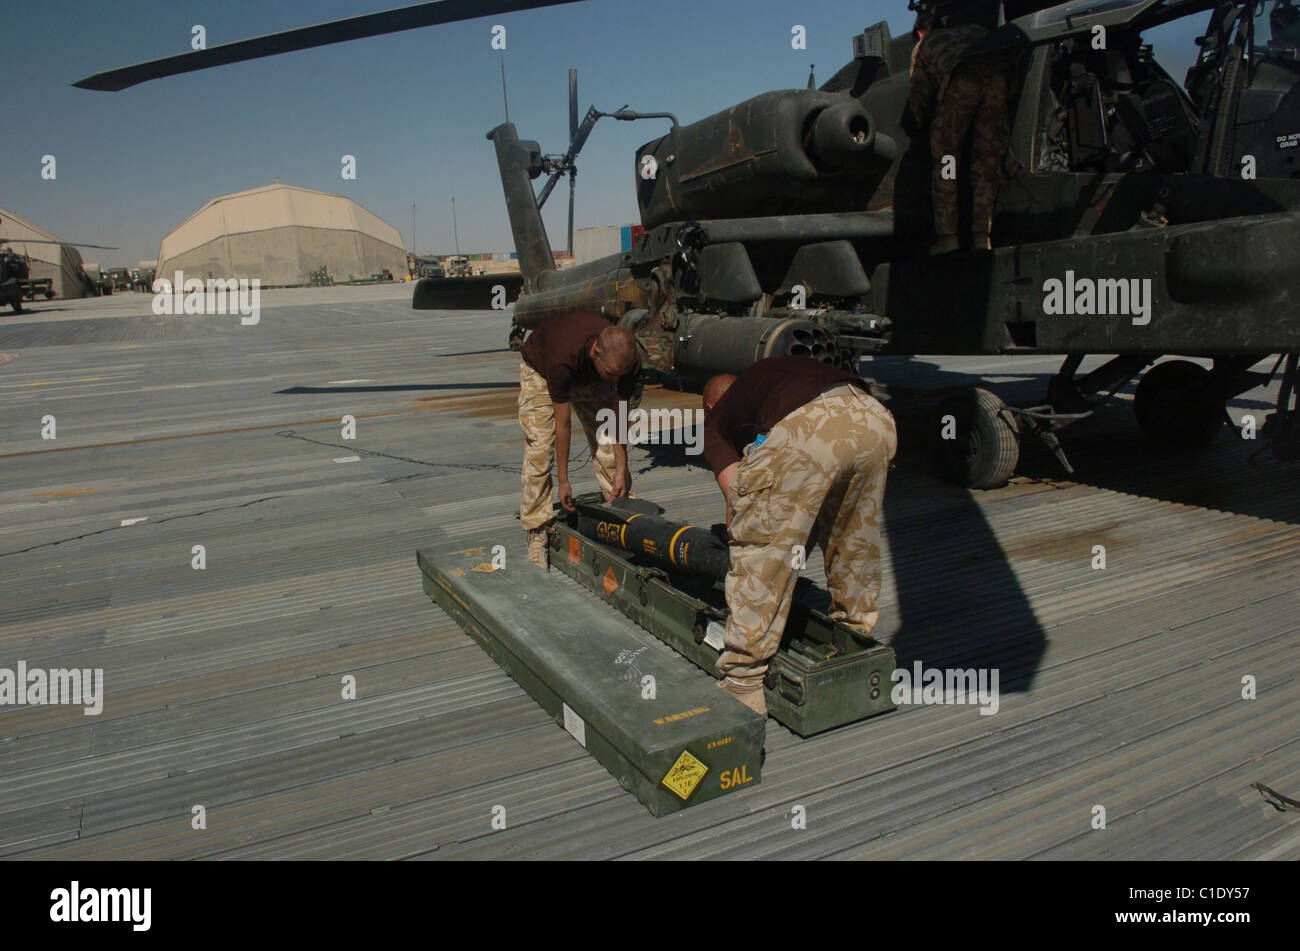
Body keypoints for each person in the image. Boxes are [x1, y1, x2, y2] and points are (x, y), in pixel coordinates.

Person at [701, 355, 897, 716]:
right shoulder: (770, 381)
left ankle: (743, 683)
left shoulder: (716, 421)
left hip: (812, 427)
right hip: (874, 419)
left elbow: (741, 498)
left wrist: (757, 539)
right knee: (853, 538)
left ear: (711, 405)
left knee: (762, 551)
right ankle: (854, 636)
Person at [519, 312, 640, 569]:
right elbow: (563, 425)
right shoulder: (563, 358)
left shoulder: (624, 363)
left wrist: (621, 468)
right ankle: (537, 529)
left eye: (621, 375)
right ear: (596, 351)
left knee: (607, 442)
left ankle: (622, 510)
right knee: (540, 448)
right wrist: (563, 481)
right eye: (613, 374)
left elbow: (618, 416)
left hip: (592, 375)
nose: (617, 381)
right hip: (541, 371)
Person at [903, 1, 1010, 254]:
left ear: (920, 32)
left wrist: (923, 124)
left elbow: (919, 95)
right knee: (986, 164)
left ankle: (948, 240)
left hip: (961, 85)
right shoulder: (975, 29)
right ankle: (982, 237)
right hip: (995, 83)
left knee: (947, 163)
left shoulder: (925, 44)